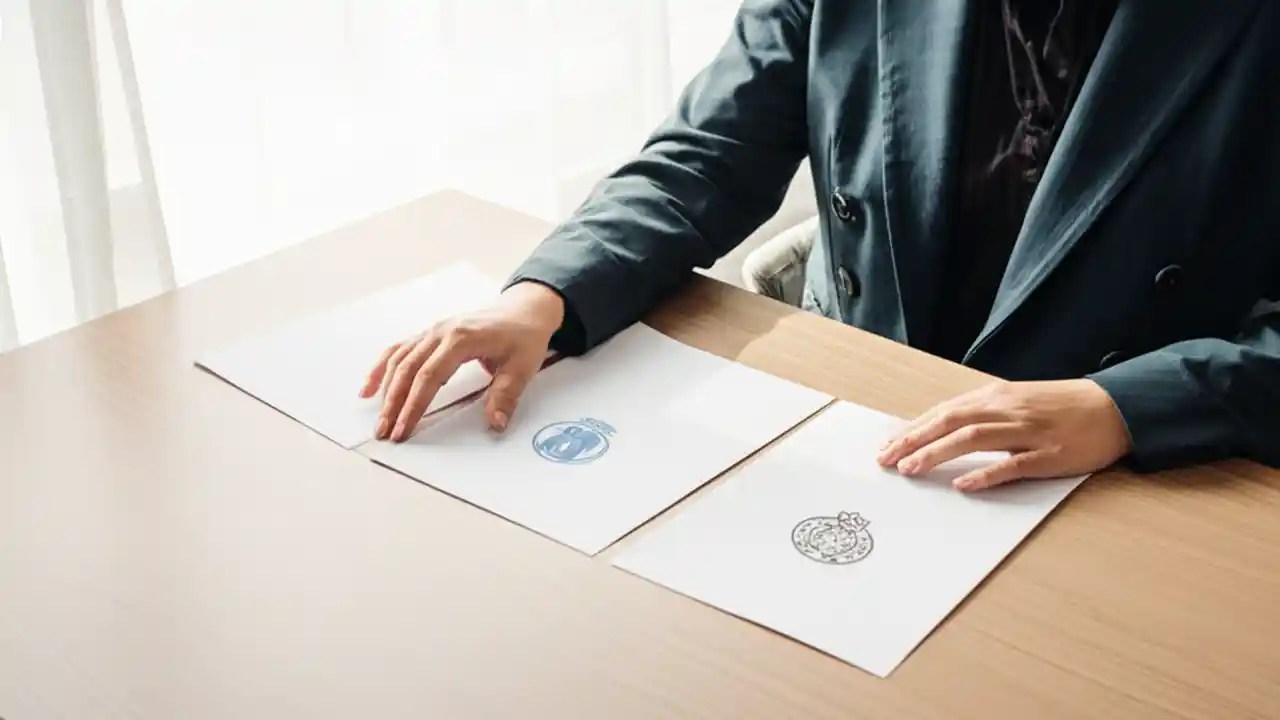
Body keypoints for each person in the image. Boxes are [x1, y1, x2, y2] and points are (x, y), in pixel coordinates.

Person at [359, 0, 1280, 492]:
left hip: (1128, 474)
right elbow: (709, 153)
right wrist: (544, 296)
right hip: (856, 423)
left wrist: (1125, 409)